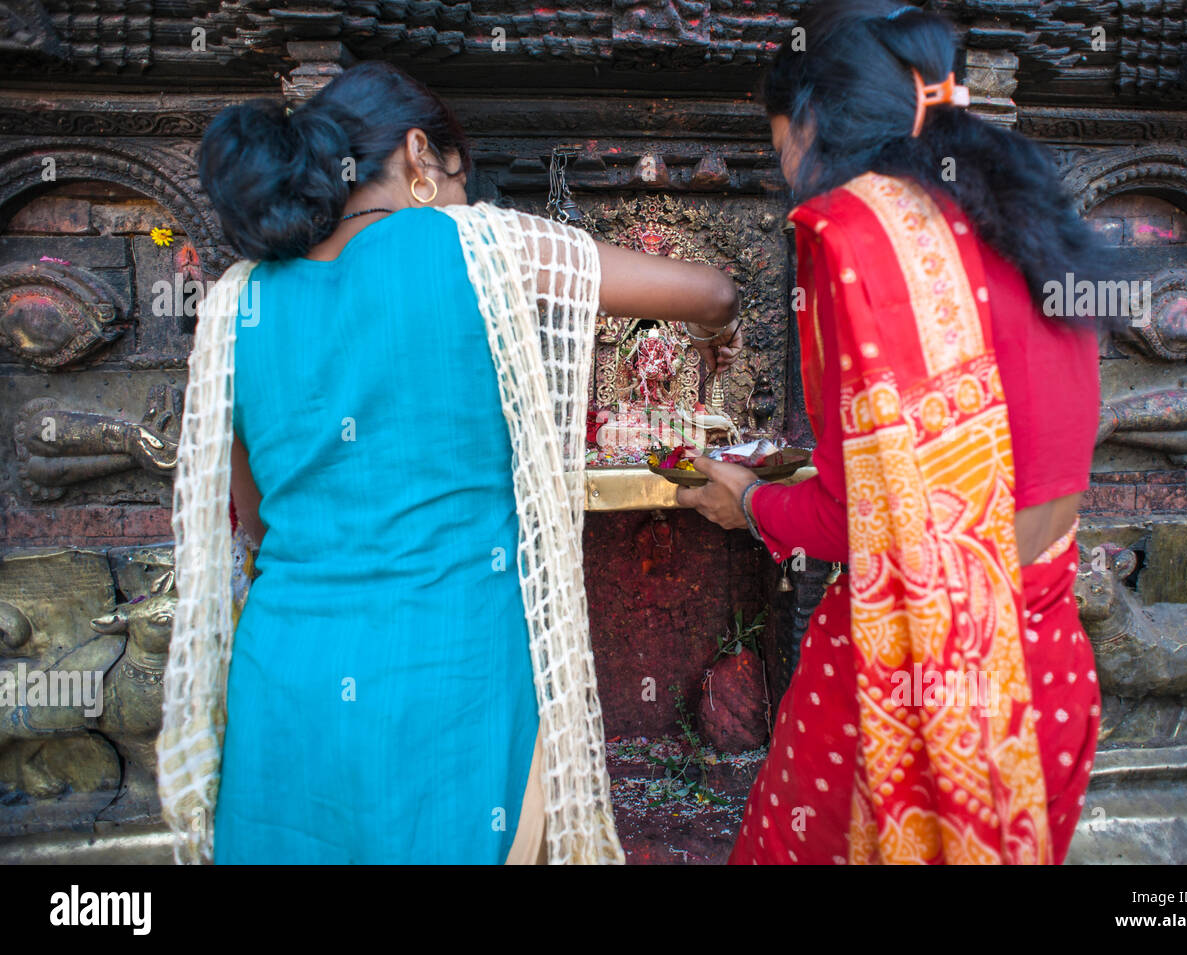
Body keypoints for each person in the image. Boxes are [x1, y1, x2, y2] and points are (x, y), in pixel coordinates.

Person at [157, 60, 741, 864]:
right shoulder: (475, 244)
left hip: (286, 679)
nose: (469, 199)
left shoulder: (235, 302)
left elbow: (256, 521)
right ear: (421, 155)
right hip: (449, 681)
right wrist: (719, 338)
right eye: (464, 178)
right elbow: (710, 294)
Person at [677, 0, 1127, 864]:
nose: (791, 179)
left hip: (906, 690)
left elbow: (864, 524)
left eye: (781, 155)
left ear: (813, 122)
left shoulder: (859, 237)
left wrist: (755, 502)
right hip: (1045, 678)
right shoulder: (1029, 221)